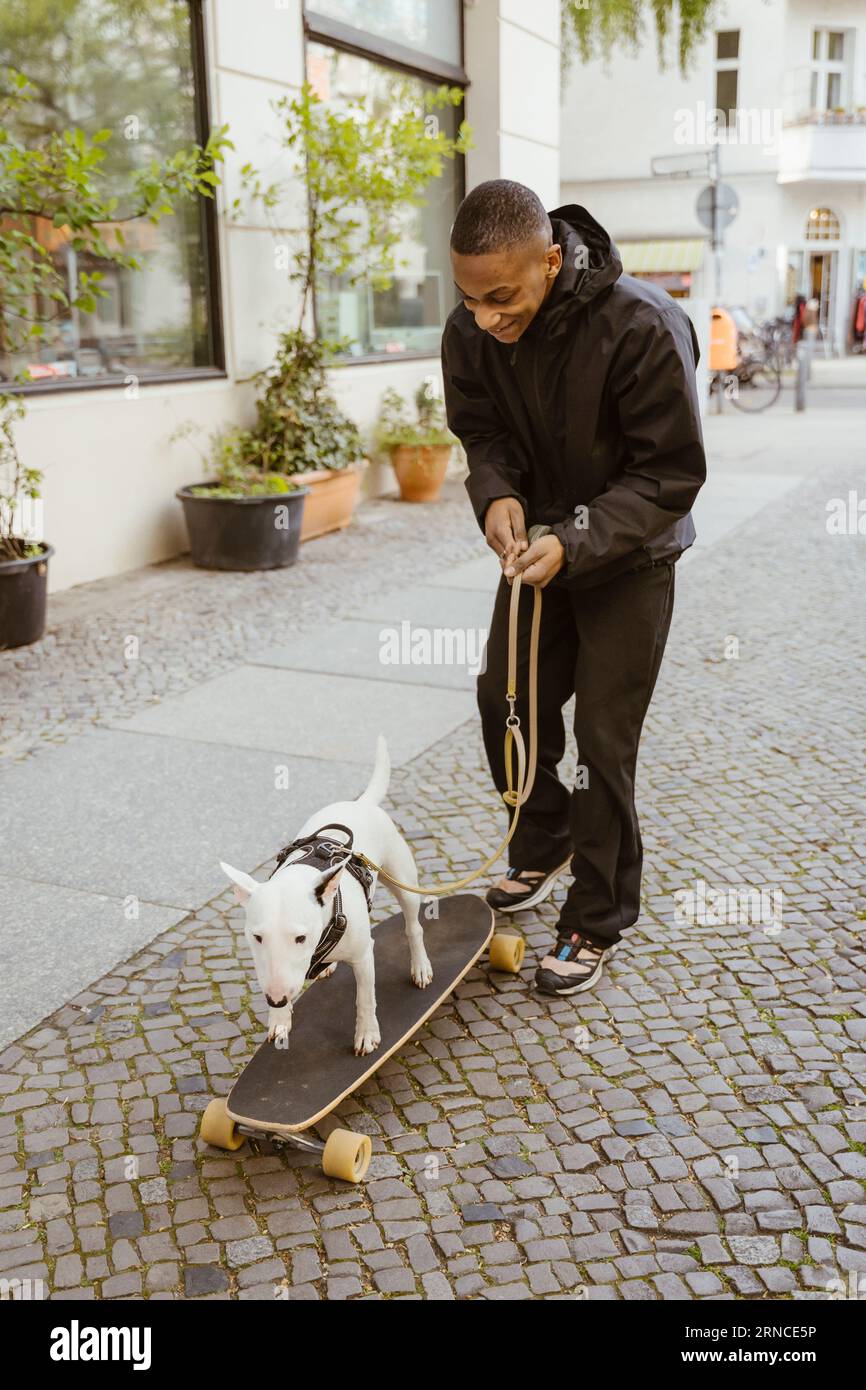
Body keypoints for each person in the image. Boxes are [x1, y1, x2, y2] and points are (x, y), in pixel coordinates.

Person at [441, 180, 706, 997]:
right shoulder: (470, 329)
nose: (486, 316)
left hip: (629, 558)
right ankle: (541, 840)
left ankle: (596, 915)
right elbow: (481, 433)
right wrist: (499, 496)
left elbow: (670, 473)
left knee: (601, 741)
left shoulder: (645, 324)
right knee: (503, 698)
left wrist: (577, 538)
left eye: (502, 297)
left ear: (551, 261)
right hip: (537, 549)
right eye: (469, 298)